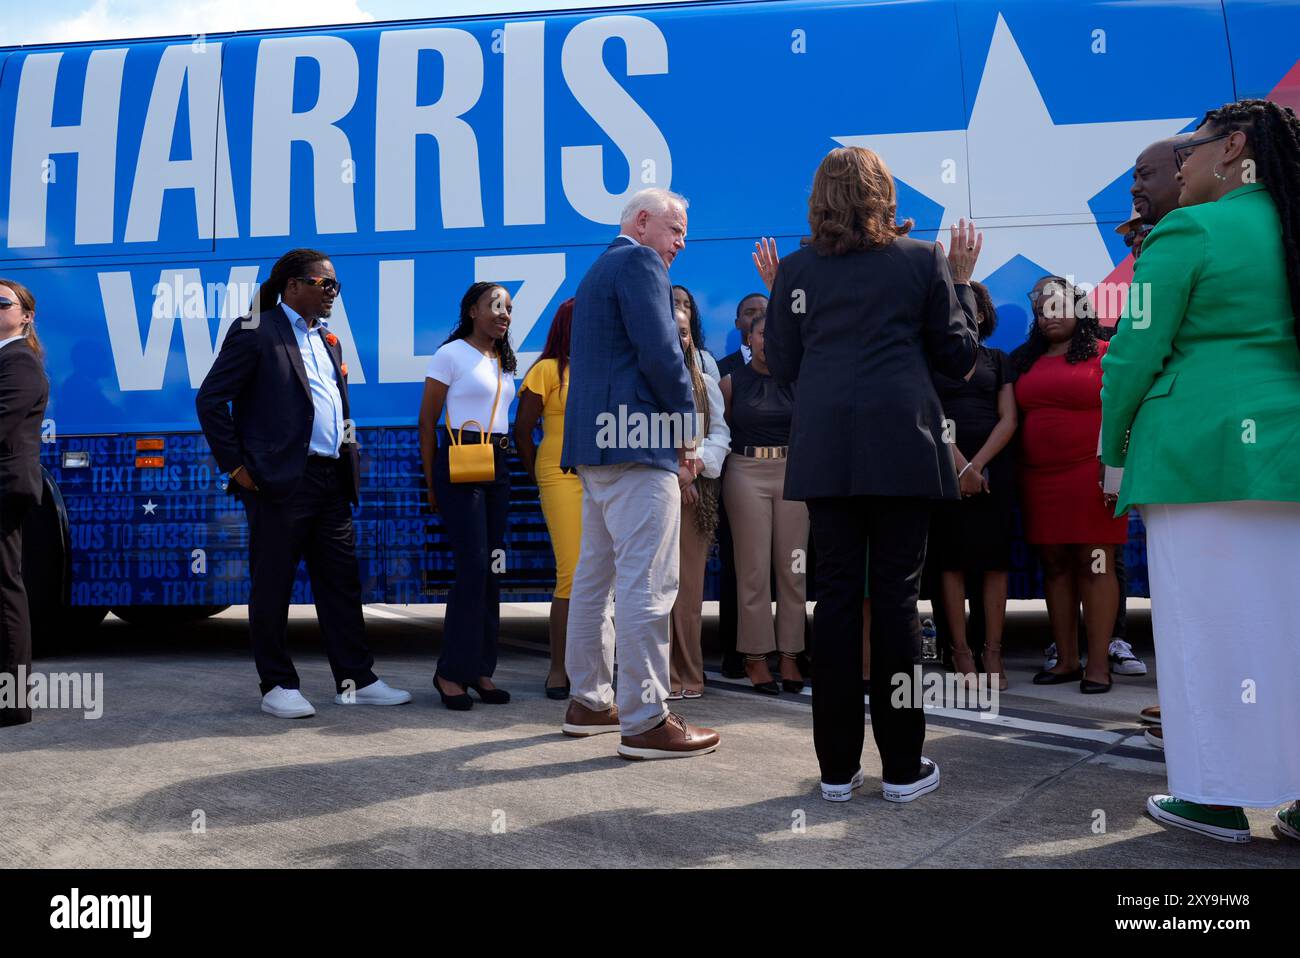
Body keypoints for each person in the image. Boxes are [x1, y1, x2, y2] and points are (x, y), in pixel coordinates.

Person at [1101, 99, 1300, 843]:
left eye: (1193, 148)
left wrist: (1113, 451)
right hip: (1287, 456)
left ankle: (1212, 798)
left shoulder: (1190, 229)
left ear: (1235, 148)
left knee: (1208, 631)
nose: (1180, 164)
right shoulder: (1288, 227)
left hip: (1198, 459)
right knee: (1289, 630)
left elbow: (1130, 358)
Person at [759, 146, 981, 803]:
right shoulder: (921, 261)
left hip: (826, 447)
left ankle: (835, 771)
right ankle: (904, 770)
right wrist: (963, 284)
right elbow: (959, 359)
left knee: (832, 605)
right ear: (886, 193)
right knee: (895, 604)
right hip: (904, 447)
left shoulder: (796, 269)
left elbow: (785, 362)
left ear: (818, 199)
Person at [196, 249, 411, 718]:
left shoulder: (328, 340)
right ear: (293, 285)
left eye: (335, 285)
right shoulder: (256, 330)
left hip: (330, 477)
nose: (333, 292)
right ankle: (277, 685)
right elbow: (210, 400)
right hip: (278, 482)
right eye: (325, 284)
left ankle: (355, 679)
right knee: (273, 585)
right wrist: (236, 467)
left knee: (340, 583)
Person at [558, 187, 719, 760]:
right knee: (648, 585)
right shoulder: (640, 261)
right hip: (639, 445)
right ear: (644, 222)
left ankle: (590, 702)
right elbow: (662, 353)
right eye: (676, 230)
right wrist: (685, 431)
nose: (680, 244)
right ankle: (647, 719)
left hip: (598, 448)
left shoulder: (598, 269)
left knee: (595, 581)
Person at [1013, 277, 1127, 695]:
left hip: (1091, 475)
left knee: (1095, 563)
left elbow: (1124, 415)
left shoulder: (1107, 355)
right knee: (1056, 566)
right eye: (1041, 310)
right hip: (1039, 479)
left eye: (1057, 307)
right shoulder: (1025, 360)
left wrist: (1114, 471)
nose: (1048, 316)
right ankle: (1065, 659)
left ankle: (1098, 664)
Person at [419, 282, 518, 711]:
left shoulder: (505, 360)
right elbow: (426, 422)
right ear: (473, 309)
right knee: (473, 566)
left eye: (509, 308)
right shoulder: (451, 354)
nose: (504, 314)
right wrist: (430, 482)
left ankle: (481, 669)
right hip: (460, 462)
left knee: (492, 567)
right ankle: (449, 672)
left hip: (498, 463)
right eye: (496, 305)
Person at [930, 281, 1018, 692]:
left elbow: (1009, 418)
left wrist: (978, 465)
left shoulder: (999, 360)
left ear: (980, 317)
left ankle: (993, 652)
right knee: (951, 563)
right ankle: (961, 652)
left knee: (994, 562)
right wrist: (961, 467)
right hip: (944, 471)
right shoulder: (930, 362)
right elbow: (929, 417)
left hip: (992, 474)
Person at [719, 312, 808, 695]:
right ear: (749, 338)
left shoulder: (802, 381)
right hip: (745, 473)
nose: (768, 342)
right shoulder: (729, 383)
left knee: (794, 570)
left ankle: (790, 656)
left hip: (793, 474)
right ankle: (755, 658)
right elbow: (717, 435)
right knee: (752, 572)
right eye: (761, 334)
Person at [515, 299, 581, 700]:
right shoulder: (546, 370)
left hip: (602, 477)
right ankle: (559, 668)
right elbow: (523, 431)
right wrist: (541, 474)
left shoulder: (605, 365)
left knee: (602, 577)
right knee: (571, 572)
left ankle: (592, 665)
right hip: (560, 477)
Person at [668, 299, 729, 699]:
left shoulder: (705, 382)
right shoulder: (638, 383)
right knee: (654, 592)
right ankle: (658, 676)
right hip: (655, 494)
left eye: (685, 331)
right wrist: (676, 475)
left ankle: (689, 673)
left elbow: (721, 435)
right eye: (670, 331)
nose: (679, 337)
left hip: (695, 500)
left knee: (688, 594)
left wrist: (694, 467)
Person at [0, 280, 49, 729]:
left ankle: (12, 702)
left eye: (1, 302)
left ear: (25, 316)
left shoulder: (19, 362)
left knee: (4, 591)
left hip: (3, 488)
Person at [673, 285, 721, 380]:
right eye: (675, 304)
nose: (683, 309)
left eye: (687, 306)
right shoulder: (653, 354)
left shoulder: (705, 360)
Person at [716, 293, 768, 379]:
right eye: (750, 313)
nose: (758, 317)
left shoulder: (789, 362)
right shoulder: (720, 369)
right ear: (737, 323)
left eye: (765, 312)